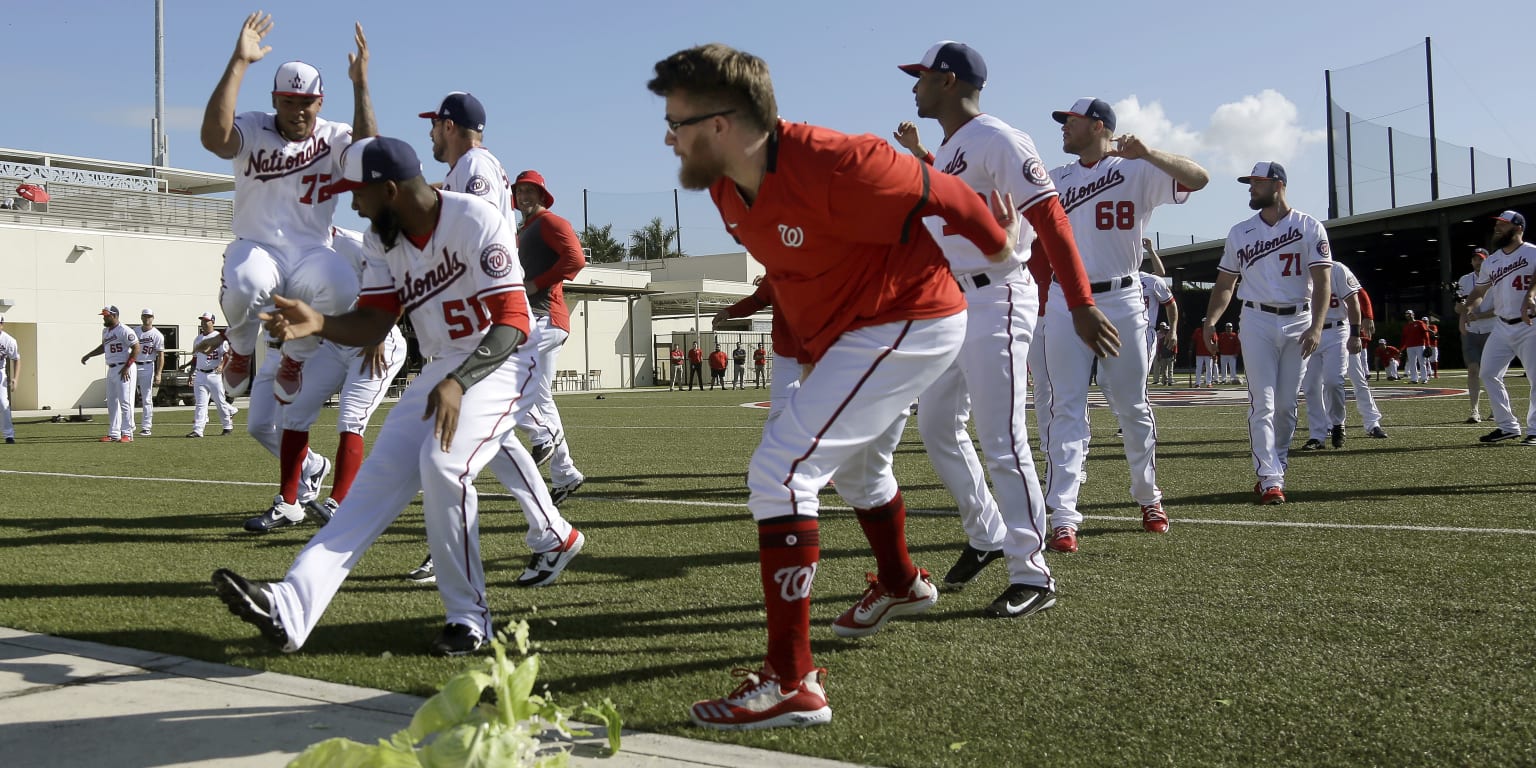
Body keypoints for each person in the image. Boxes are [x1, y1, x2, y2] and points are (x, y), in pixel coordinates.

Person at [648, 43, 1029, 730]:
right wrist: (807, 353)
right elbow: (795, 270)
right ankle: (901, 582)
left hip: (915, 317)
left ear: (722, 123)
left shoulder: (839, 160)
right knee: (857, 471)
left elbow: (947, 193)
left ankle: (791, 681)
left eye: (677, 122)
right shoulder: (726, 186)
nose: (668, 137)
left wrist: (1000, 253)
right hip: (858, 331)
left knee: (780, 472)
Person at [212, 136, 580, 657]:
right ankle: (292, 606)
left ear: (389, 190)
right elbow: (375, 321)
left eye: (358, 193)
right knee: (373, 486)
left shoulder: (473, 218)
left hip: (502, 361)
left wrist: (460, 381)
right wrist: (319, 322)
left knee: (444, 463)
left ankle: (468, 617)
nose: (354, 205)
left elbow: (514, 320)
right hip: (442, 366)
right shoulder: (381, 240)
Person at [892, 48, 1116, 576]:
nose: (915, 87)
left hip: (998, 295)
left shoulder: (999, 138)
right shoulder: (950, 149)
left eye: (922, 77)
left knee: (1002, 438)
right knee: (938, 426)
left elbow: (1052, 218)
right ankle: (988, 534)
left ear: (948, 81)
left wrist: (1080, 302)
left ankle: (1030, 569)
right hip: (953, 302)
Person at [1034, 94, 1206, 549]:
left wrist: (1148, 152)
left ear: (1098, 125)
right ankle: (1063, 515)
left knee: (1131, 405)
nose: (1063, 127)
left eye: (1071, 121)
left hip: (1123, 297)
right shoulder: (1057, 177)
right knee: (1065, 407)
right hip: (1066, 299)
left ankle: (1148, 496)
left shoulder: (1137, 168)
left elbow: (1199, 178)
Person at [200, 11, 376, 402]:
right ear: (275, 100)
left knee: (344, 286)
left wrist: (361, 85)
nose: (298, 110)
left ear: (320, 101)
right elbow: (214, 139)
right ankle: (241, 349)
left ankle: (294, 358)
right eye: (289, 101)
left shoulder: (333, 134)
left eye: (307, 102)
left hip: (312, 248)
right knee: (245, 284)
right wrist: (239, 62)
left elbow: (368, 156)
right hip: (256, 244)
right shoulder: (253, 126)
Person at [241, 227, 406, 533]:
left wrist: (379, 332)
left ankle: (339, 504)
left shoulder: (353, 244)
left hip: (374, 341)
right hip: (332, 340)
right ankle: (289, 503)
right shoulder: (288, 250)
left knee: (351, 418)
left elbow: (400, 285)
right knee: (293, 412)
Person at [1203, 162, 1331, 504]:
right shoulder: (1240, 231)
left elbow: (1323, 282)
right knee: (1263, 403)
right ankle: (1269, 477)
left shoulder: (1309, 226)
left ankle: (1278, 464)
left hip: (1299, 320)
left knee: (1287, 406)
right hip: (1256, 319)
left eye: (1257, 182)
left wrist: (1317, 326)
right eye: (1250, 183)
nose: (1251, 188)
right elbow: (1226, 284)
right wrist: (1210, 320)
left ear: (1278, 185)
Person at [507, 169, 588, 501]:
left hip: (546, 319)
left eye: (531, 191)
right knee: (541, 398)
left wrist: (536, 284)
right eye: (520, 191)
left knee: (498, 377)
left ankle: (542, 436)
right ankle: (565, 473)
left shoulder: (551, 223)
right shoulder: (523, 230)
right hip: (539, 320)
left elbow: (576, 259)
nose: (524, 196)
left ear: (542, 195)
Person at [1463, 210, 1536, 444]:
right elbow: (1479, 290)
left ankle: (1535, 430)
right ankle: (1507, 426)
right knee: (1488, 373)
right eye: (1498, 224)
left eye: (1503, 225)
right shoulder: (1492, 260)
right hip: (1502, 326)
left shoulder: (1532, 252)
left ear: (1518, 228)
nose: (1498, 228)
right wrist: (1467, 309)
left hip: (1531, 324)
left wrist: (1531, 295)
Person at [1299, 261, 1363, 450]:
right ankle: (1317, 435)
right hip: (1308, 331)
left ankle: (1337, 423)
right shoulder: (1298, 269)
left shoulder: (1337, 269)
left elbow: (1353, 301)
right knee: (1310, 386)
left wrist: (1355, 334)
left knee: (1333, 381)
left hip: (1336, 330)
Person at [80, 306, 140, 442]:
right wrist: (89, 355)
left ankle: (128, 433)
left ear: (114, 316)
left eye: (107, 315)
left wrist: (127, 366)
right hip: (112, 368)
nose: (104, 318)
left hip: (125, 367)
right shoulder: (105, 331)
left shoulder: (124, 330)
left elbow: (136, 348)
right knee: (112, 402)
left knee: (125, 401)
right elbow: (104, 347)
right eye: (104, 315)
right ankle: (114, 433)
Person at [187, 312, 239, 438]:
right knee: (200, 403)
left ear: (213, 322)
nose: (204, 323)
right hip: (200, 374)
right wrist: (191, 374)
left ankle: (227, 426)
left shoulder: (219, 338)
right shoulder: (198, 339)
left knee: (220, 402)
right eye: (202, 320)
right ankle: (198, 430)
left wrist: (221, 365)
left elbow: (227, 354)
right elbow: (195, 358)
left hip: (214, 374)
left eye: (206, 321)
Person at [1457, 248, 1494, 423]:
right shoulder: (1464, 280)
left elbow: (1503, 308)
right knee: (1472, 370)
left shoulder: (1497, 278)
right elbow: (1459, 307)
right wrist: (1461, 311)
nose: (1478, 262)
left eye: (1481, 259)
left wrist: (1480, 315)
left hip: (1493, 329)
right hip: (1471, 330)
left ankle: (1495, 409)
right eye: (1475, 259)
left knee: (1491, 372)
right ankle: (1474, 411)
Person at [1347, 287, 1388, 438]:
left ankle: (1372, 423)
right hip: (1316, 331)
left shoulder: (1338, 273)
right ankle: (1328, 425)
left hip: (1341, 330)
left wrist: (1368, 315)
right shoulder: (1305, 276)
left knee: (1359, 380)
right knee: (1321, 384)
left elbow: (1359, 291)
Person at [1139, 239, 1178, 363]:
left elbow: (1160, 273)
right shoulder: (1117, 280)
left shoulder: (1148, 279)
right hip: (1121, 330)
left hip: (1145, 331)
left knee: (1141, 372)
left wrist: (1150, 250)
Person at [133, 309, 166, 436]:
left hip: (147, 365)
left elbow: (161, 355)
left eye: (149, 316)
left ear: (153, 318)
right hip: (133, 365)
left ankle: (146, 427)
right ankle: (129, 425)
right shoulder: (135, 331)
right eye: (145, 316)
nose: (147, 318)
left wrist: (158, 373)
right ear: (141, 317)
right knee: (128, 396)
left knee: (146, 397)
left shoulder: (157, 334)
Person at [0, 316, 18, 444]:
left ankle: (8, 435)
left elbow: (16, 358)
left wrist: (15, 378)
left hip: (0, 372)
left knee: (3, 403)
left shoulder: (9, 340)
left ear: (2, 324)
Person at [1400, 310, 1428, 384]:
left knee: (1422, 362)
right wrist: (1401, 348)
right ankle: (1414, 379)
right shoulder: (1406, 326)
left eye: (1409, 314)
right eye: (1406, 314)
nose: (1408, 316)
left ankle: (1424, 378)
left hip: (1420, 345)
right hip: (1410, 347)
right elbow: (1404, 338)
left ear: (1413, 314)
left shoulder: (1419, 323)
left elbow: (1425, 333)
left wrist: (1427, 345)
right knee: (1412, 363)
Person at [1192, 319, 1216, 387]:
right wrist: (1190, 350)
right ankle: (1197, 383)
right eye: (1203, 322)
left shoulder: (1211, 331)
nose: (1204, 324)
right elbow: (1193, 340)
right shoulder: (1198, 331)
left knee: (1209, 368)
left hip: (1209, 353)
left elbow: (1215, 342)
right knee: (1198, 368)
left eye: (1206, 322)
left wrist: (1214, 353)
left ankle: (1209, 383)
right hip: (1199, 353)